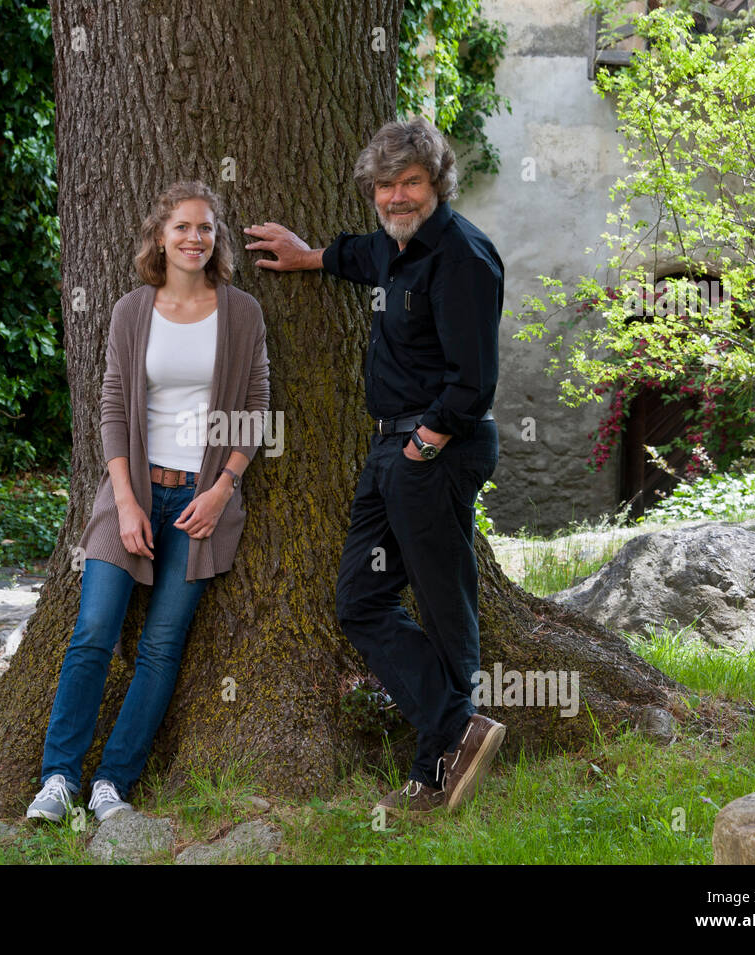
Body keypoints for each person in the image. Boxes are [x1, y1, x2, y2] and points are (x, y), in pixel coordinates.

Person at [244, 117, 503, 814]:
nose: (396, 196)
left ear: (436, 183)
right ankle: (455, 731)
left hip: (434, 449)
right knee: (361, 599)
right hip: (392, 449)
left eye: (410, 182)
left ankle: (435, 769)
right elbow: (358, 255)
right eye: (385, 185)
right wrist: (307, 257)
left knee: (446, 606)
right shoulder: (394, 248)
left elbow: (474, 381)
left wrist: (423, 444)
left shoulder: (463, 258)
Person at [27, 180, 270, 823]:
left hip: (200, 503)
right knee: (94, 633)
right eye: (184, 227)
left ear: (216, 241)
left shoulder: (241, 312)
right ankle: (58, 779)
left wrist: (222, 489)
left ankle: (113, 783)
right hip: (129, 496)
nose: (196, 238)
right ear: (160, 236)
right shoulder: (133, 311)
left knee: (162, 646)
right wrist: (127, 500)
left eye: (207, 228)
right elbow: (111, 407)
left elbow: (254, 409)